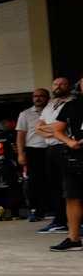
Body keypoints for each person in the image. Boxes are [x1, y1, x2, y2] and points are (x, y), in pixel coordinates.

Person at [44, 95, 83, 251]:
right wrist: (69, 142)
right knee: (72, 196)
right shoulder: (72, 105)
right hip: (77, 156)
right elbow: (58, 130)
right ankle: (74, 239)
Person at [38, 77, 75, 235]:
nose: (58, 86)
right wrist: (55, 130)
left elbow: (66, 126)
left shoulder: (74, 103)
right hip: (51, 148)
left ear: (69, 86)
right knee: (55, 187)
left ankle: (75, 222)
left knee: (71, 188)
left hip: (67, 147)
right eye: (55, 84)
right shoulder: (50, 105)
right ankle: (59, 221)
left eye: (62, 84)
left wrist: (51, 129)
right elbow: (38, 129)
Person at [18, 88, 51, 221]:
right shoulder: (25, 114)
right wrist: (21, 153)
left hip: (51, 148)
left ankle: (52, 210)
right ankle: (35, 210)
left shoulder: (52, 112)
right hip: (34, 150)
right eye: (35, 96)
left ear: (47, 97)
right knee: (34, 182)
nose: (38, 98)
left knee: (53, 180)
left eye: (41, 96)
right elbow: (20, 135)